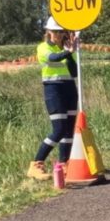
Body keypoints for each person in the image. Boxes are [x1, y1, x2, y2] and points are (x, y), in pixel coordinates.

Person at [27, 16, 78, 180]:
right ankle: (36, 164)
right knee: (59, 130)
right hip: (53, 90)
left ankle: (64, 164)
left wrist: (70, 53)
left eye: (61, 32)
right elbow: (52, 59)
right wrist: (67, 52)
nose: (59, 35)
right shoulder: (42, 48)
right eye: (56, 32)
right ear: (48, 32)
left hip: (70, 89)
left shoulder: (66, 49)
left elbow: (74, 72)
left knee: (69, 131)